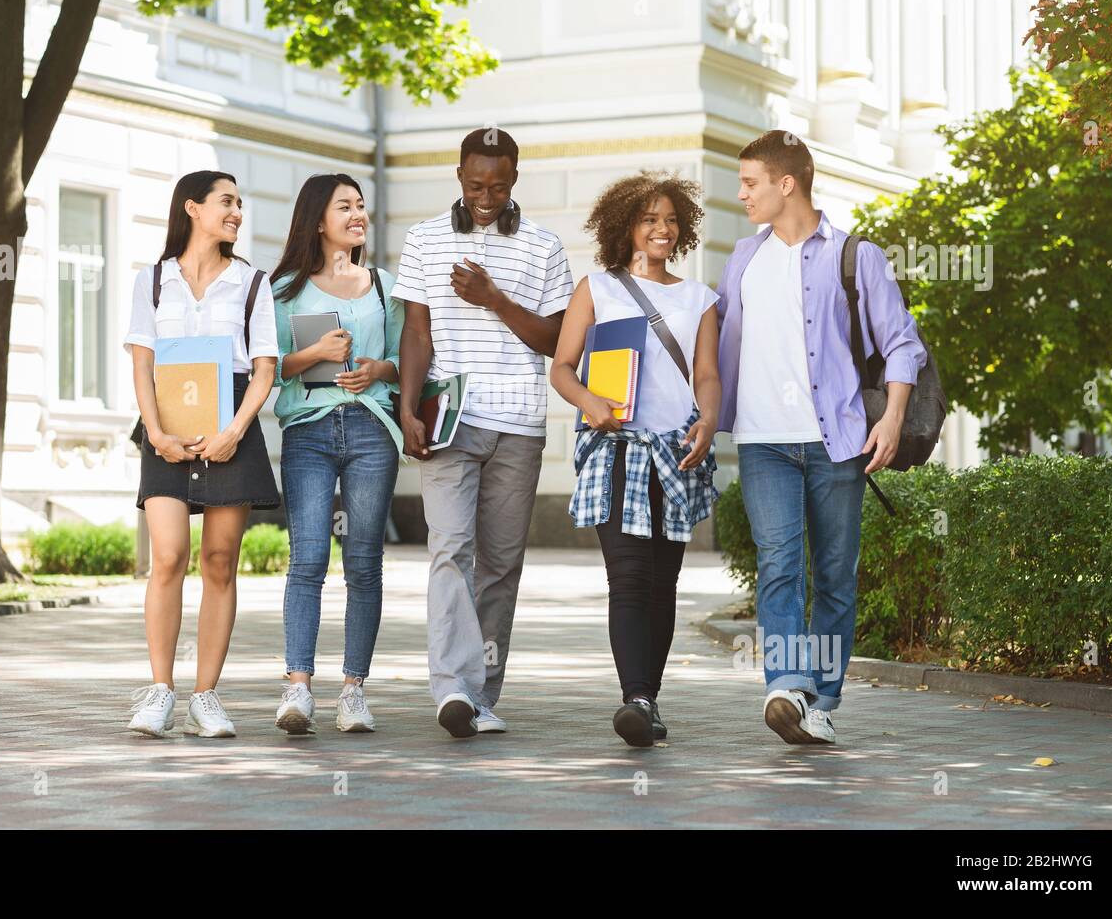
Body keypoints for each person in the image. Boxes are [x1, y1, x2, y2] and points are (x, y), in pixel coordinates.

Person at [718, 130, 927, 745]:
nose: (742, 194)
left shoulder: (855, 256)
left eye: (751, 182)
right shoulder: (742, 258)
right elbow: (716, 341)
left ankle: (823, 701)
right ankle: (787, 687)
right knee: (780, 565)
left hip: (838, 441)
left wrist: (890, 419)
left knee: (835, 573)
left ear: (787, 184)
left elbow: (901, 344)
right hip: (763, 441)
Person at [393, 127, 574, 738]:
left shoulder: (546, 247)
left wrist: (493, 297)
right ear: (459, 176)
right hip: (451, 418)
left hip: (519, 423)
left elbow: (555, 342)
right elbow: (416, 332)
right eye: (475, 185)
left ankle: (481, 693)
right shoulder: (423, 239)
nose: (486, 196)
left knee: (500, 565)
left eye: (497, 185)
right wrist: (408, 407)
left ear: (515, 177)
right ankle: (451, 688)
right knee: (450, 550)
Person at [550, 172, 721, 747]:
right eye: (650, 219)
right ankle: (636, 699)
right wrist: (588, 402)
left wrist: (709, 420)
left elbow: (707, 374)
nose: (662, 229)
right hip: (615, 452)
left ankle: (649, 697)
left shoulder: (699, 298)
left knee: (663, 582)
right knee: (627, 579)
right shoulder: (597, 289)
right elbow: (562, 367)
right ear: (625, 226)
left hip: (675, 451)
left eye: (671, 220)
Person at [123, 169, 281, 738]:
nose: (236, 211)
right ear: (191, 208)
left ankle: (205, 697)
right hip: (166, 422)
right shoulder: (154, 281)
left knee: (219, 560)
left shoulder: (252, 283)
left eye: (240, 203)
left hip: (230, 424)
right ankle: (160, 691)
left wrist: (237, 430)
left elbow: (265, 368)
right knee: (167, 555)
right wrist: (155, 431)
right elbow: (142, 361)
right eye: (226, 201)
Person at [269, 174, 403, 735]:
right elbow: (269, 366)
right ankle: (298, 687)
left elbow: (404, 362)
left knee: (364, 563)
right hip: (309, 428)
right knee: (307, 560)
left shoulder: (383, 284)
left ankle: (353, 690)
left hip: (372, 428)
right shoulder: (285, 289)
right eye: (344, 206)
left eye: (361, 206)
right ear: (317, 219)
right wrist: (313, 354)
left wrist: (376, 369)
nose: (357, 215)